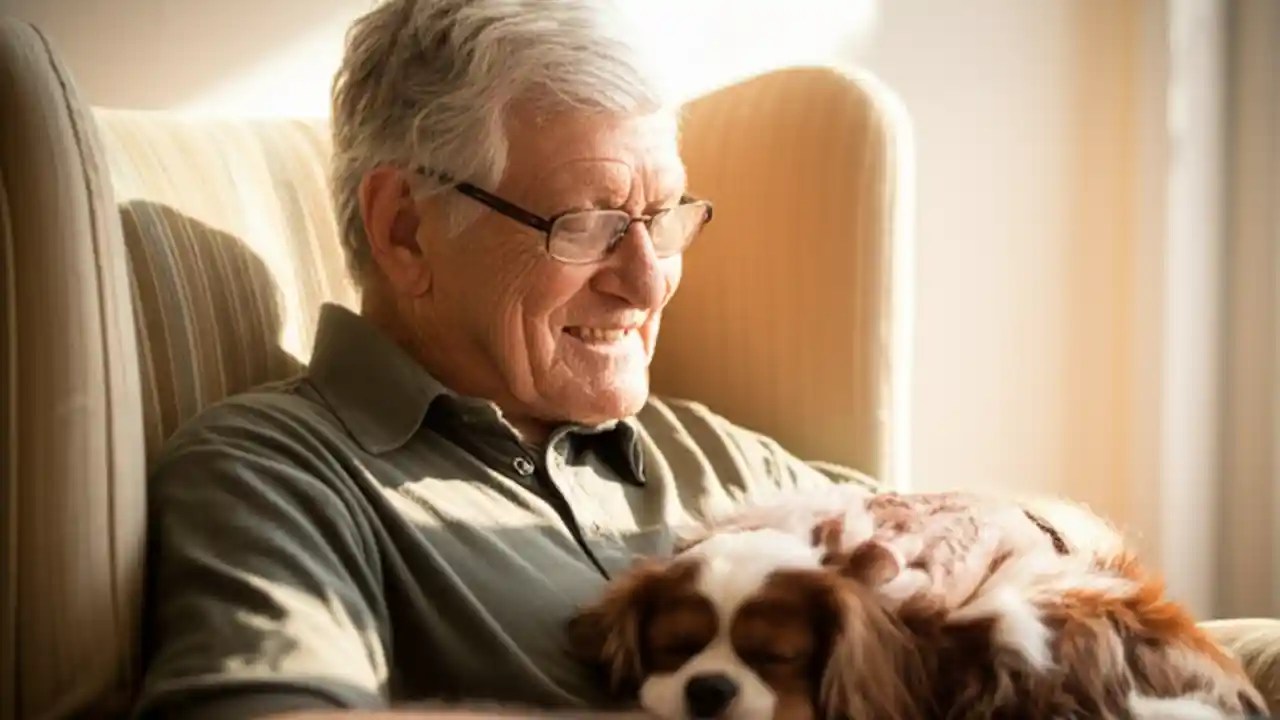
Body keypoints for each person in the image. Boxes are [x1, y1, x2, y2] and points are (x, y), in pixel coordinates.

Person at [132, 0, 878, 718]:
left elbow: (973, 553)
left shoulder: (711, 454)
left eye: (664, 219)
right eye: (589, 225)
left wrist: (967, 535)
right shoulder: (275, 472)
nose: (648, 282)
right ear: (404, 232)